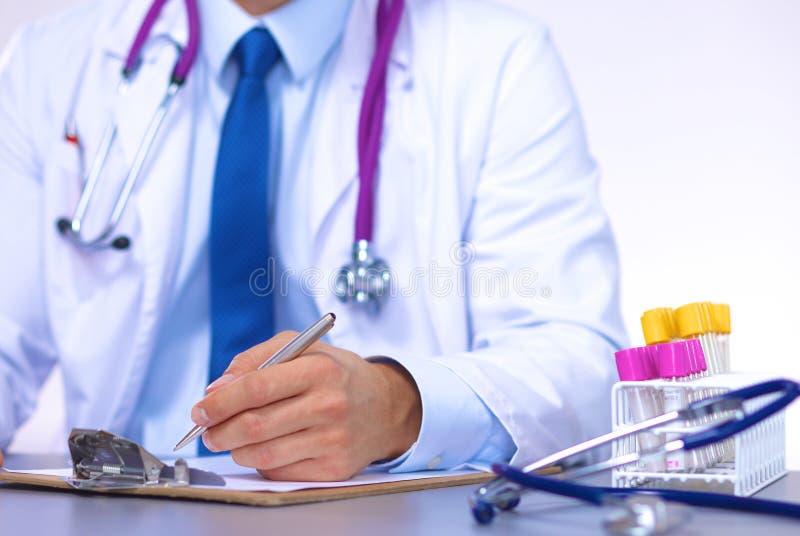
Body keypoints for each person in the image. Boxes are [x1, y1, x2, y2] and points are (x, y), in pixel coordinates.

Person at [0, 0, 626, 480]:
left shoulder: (497, 60)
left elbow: (580, 362)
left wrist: (400, 406)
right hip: (124, 513)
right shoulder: (50, 65)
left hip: (372, 518)